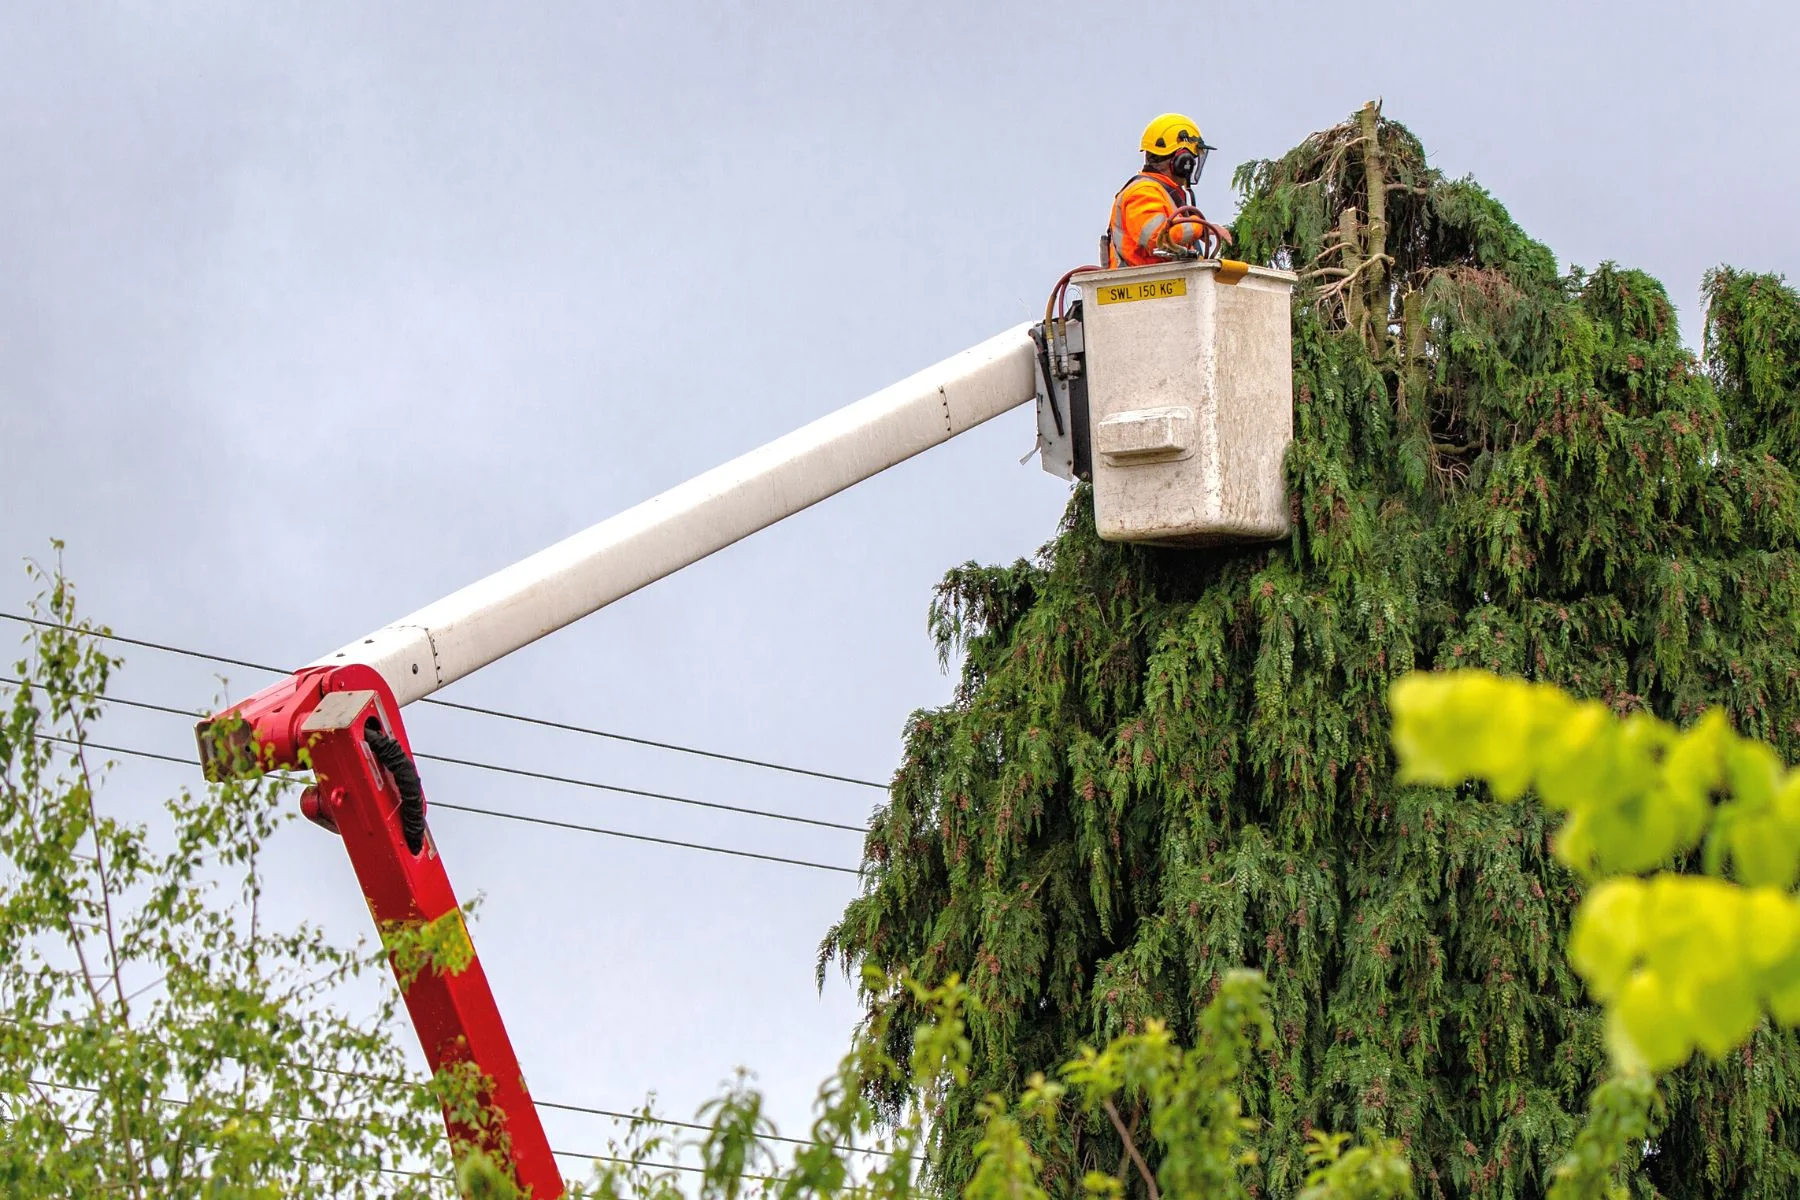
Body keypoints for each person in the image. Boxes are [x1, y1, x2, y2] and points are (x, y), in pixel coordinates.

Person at [1101, 113, 1234, 268]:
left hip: (1161, 283)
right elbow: (1157, 237)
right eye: (1192, 158)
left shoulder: (1163, 192)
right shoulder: (1143, 192)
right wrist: (1200, 228)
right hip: (1141, 286)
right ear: (1182, 161)